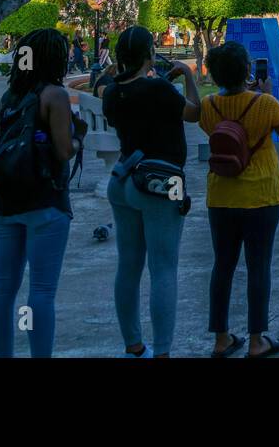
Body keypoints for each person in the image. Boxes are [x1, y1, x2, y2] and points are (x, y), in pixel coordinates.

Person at [103, 25, 200, 358]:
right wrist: (187, 75)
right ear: (149, 55)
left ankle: (133, 344)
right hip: (161, 183)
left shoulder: (112, 93)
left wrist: (126, 72)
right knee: (163, 269)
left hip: (124, 179)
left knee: (128, 266)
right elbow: (193, 113)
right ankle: (162, 351)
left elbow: (110, 90)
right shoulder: (160, 88)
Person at [0, 28, 83, 358]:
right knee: (41, 291)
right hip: (45, 200)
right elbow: (63, 151)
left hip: (7, 202)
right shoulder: (54, 95)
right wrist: (77, 138)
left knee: (3, 285)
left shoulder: (9, 97)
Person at [199, 42, 279, 359]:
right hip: (261, 196)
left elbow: (210, 119)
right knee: (258, 267)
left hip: (221, 197)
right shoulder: (265, 103)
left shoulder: (208, 105)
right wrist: (265, 92)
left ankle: (221, 339)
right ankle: (256, 341)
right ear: (248, 70)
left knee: (222, 267)